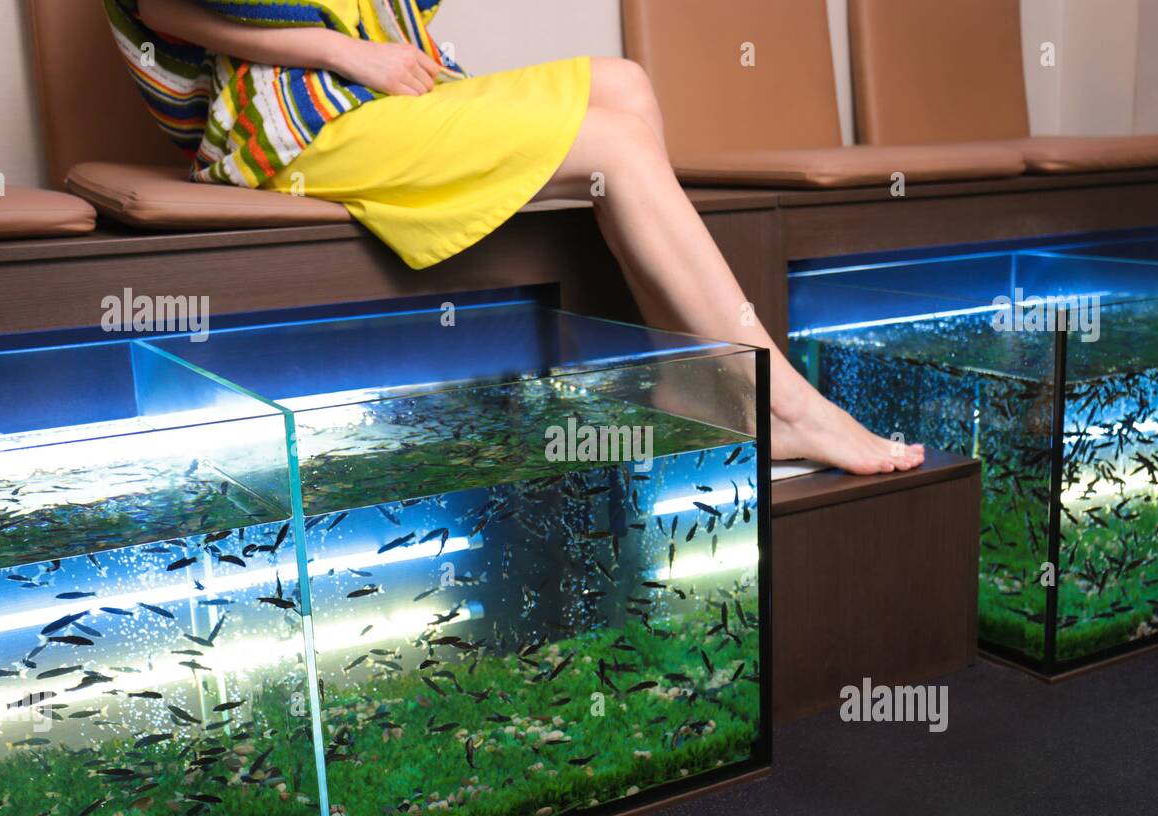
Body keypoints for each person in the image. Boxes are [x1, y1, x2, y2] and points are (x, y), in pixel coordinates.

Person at [122, 0, 925, 474]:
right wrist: (340, 50)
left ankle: (681, 377)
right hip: (296, 117)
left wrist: (378, 54)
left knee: (627, 86)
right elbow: (158, 9)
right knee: (616, 145)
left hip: (393, 81)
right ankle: (782, 401)